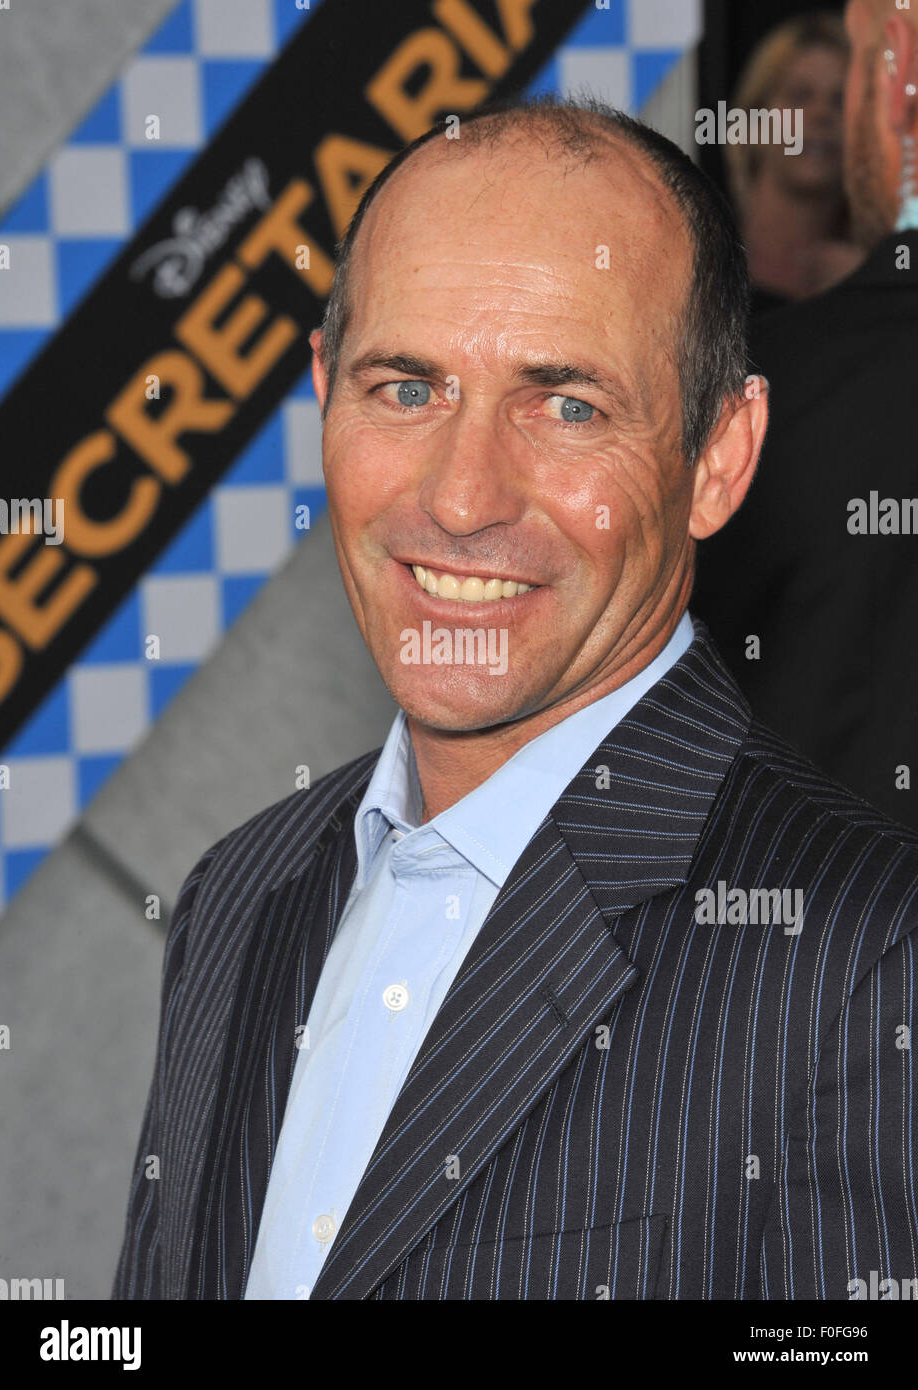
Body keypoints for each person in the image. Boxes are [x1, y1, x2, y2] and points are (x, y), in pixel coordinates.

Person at [112, 93, 918, 1302]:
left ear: (718, 458)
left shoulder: (864, 960)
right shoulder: (240, 894)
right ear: (324, 389)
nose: (460, 494)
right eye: (405, 387)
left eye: (567, 404)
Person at [693, 0, 918, 832]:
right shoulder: (699, 310)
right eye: (802, 95)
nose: (822, 117)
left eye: (841, 91)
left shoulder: (840, 340)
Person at [725, 12, 863, 315]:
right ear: (751, 125)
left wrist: (863, 299)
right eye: (800, 96)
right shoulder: (702, 258)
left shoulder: (873, 279)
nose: (821, 114)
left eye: (840, 101)